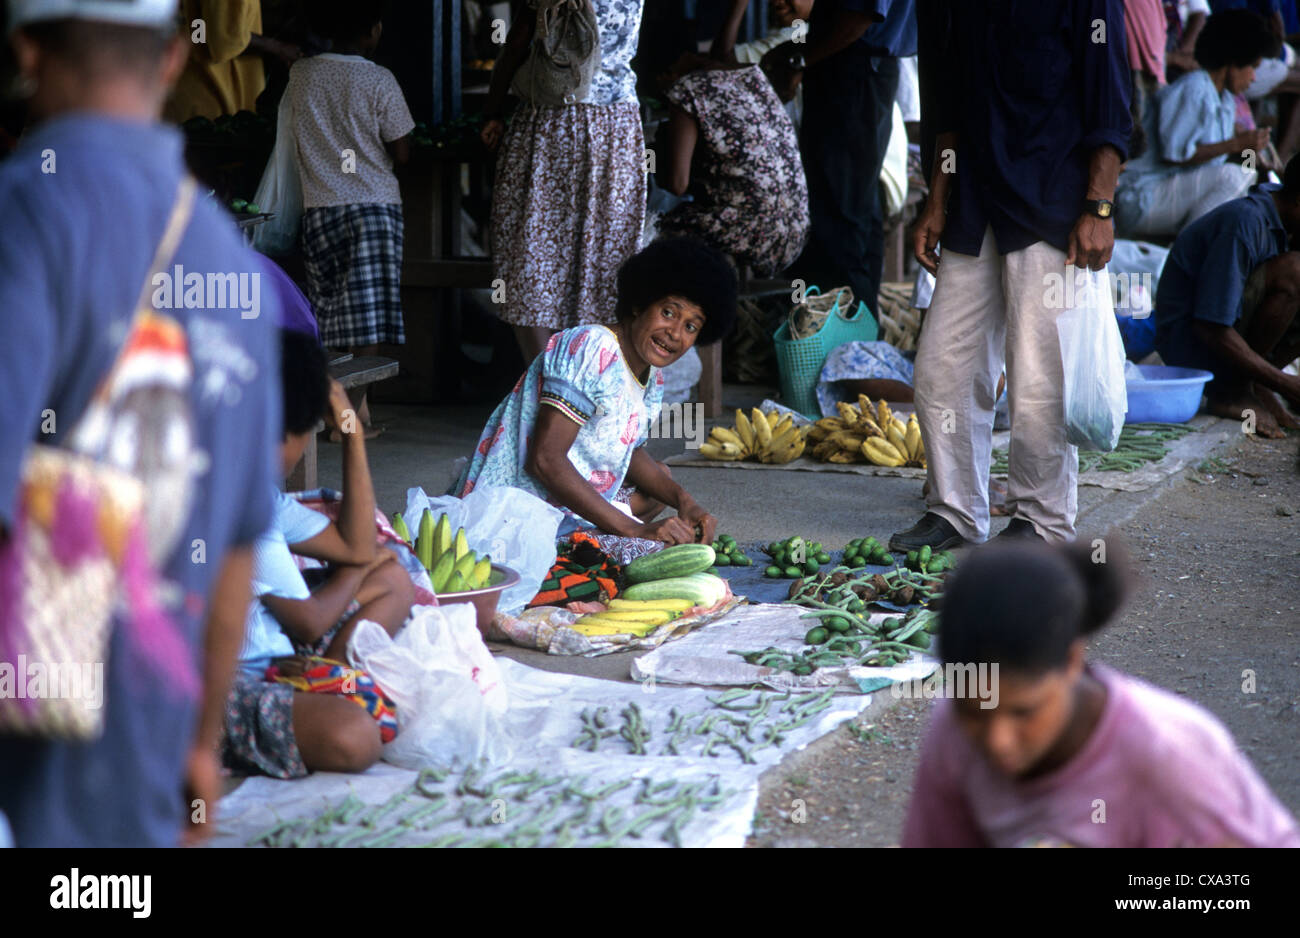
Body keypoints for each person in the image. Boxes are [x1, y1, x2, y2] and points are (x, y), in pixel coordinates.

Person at [0, 0, 281, 846]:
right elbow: (238, 546)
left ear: (24, 54)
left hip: (37, 682)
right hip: (154, 712)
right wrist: (199, 744)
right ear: (169, 63)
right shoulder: (232, 257)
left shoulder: (27, 209)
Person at [891, 0, 1132, 551]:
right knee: (942, 367)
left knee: (1039, 374)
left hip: (1053, 204)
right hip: (975, 206)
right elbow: (952, 108)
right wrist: (938, 197)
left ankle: (1040, 522)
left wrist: (1099, 207)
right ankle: (955, 511)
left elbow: (1111, 105)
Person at [902, 540, 1300, 847]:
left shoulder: (1166, 752)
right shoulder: (952, 728)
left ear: (1073, 661)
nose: (997, 741)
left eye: (1024, 712)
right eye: (974, 714)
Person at [454, 238, 736, 554]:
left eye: (691, 326)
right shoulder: (592, 347)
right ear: (639, 303)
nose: (675, 333)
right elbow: (545, 459)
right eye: (668, 312)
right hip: (521, 501)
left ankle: (589, 534)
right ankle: (574, 539)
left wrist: (686, 501)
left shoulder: (652, 378)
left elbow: (627, 453)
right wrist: (634, 529)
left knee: (661, 481)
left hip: (568, 497)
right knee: (645, 514)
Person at [221, 331, 413, 780]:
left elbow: (355, 545)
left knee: (395, 581)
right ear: (288, 431)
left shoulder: (260, 493)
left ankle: (317, 686)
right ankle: (308, 701)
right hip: (226, 679)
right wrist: (359, 569)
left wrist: (353, 436)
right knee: (355, 736)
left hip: (275, 651)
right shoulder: (230, 502)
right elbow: (308, 620)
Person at [481, 0, 649, 364]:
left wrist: (492, 110)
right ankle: (592, 384)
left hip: (551, 122)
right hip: (617, 128)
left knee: (529, 251)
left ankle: (548, 388)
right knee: (606, 257)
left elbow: (519, 41)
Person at [289, 0, 413, 438]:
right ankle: (347, 420)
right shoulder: (378, 79)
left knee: (329, 315)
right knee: (368, 319)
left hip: (320, 207)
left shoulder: (301, 75)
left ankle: (351, 413)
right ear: (372, 30)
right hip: (373, 208)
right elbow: (402, 150)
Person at [755, 0, 917, 319]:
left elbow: (860, 15)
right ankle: (856, 334)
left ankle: (840, 336)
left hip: (854, 71)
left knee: (840, 215)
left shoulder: (852, 39)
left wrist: (801, 58)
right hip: (855, 68)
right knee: (853, 208)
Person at [1153, 159, 1300, 437]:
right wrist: (1286, 383)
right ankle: (1231, 392)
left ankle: (1257, 383)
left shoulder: (1284, 222)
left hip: (1223, 336)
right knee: (1296, 271)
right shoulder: (1245, 221)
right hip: (1192, 346)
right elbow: (1211, 327)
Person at [1116, 8, 1276, 239]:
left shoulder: (1225, 99)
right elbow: (1175, 155)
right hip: (1139, 197)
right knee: (1234, 177)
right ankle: (1188, 253)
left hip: (1167, 197)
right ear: (1233, 62)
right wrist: (1235, 144)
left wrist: (1249, 150)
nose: (1253, 77)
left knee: (1246, 184)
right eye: (1252, 67)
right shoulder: (1193, 89)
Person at [655, 51, 809, 277]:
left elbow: (677, 184)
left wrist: (653, 157)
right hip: (795, 232)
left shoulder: (685, 89)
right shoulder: (752, 75)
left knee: (654, 236)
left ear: (669, 71)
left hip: (753, 233)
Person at [163, 0, 301, 122]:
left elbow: (202, 27)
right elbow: (226, 40)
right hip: (213, 96)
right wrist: (279, 48)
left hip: (191, 86)